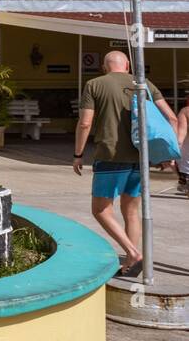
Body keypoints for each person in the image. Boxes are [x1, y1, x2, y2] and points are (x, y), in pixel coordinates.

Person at [73, 50, 179, 276]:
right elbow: (172, 118)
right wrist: (173, 149)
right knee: (131, 211)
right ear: (128, 65)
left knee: (101, 210)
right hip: (140, 157)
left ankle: (133, 253)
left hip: (110, 156)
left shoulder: (94, 84)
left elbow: (85, 124)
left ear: (104, 67)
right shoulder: (144, 84)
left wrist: (78, 154)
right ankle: (131, 263)